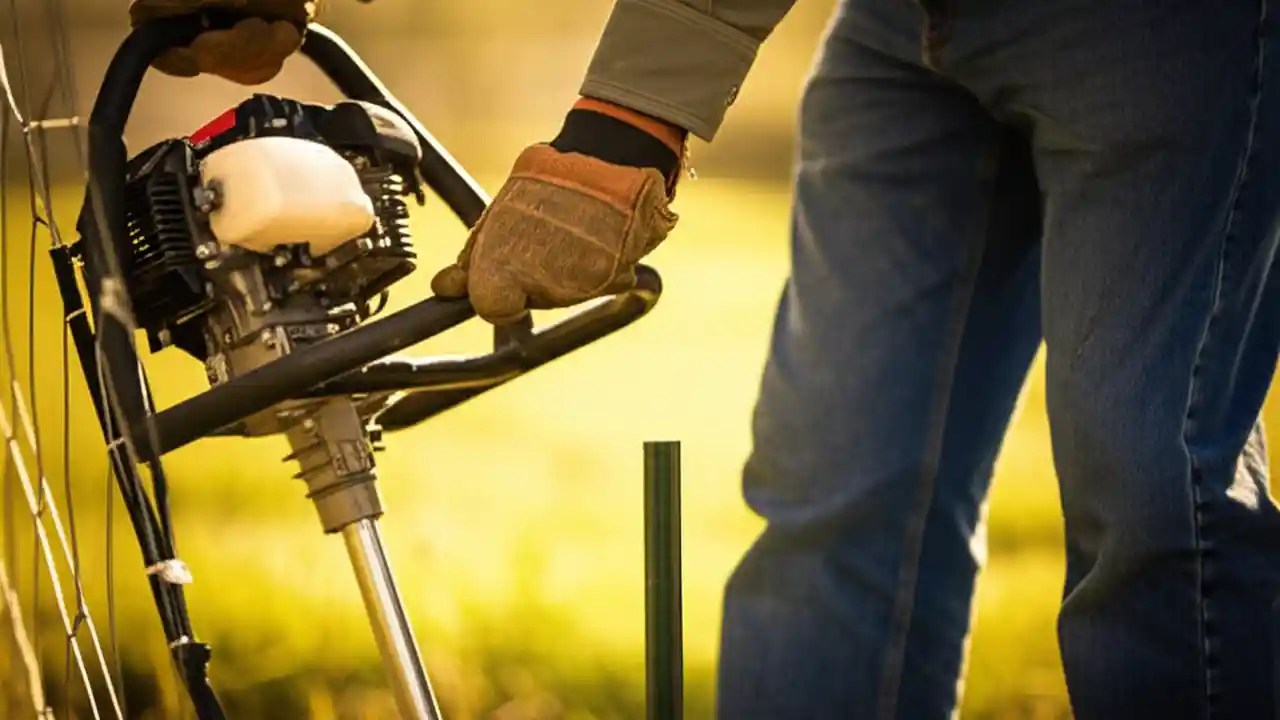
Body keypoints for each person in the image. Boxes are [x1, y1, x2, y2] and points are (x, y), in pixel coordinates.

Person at [130, 1, 1280, 717]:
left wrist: (628, 124)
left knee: (1151, 495)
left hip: (1173, 32)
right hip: (898, 27)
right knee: (837, 483)